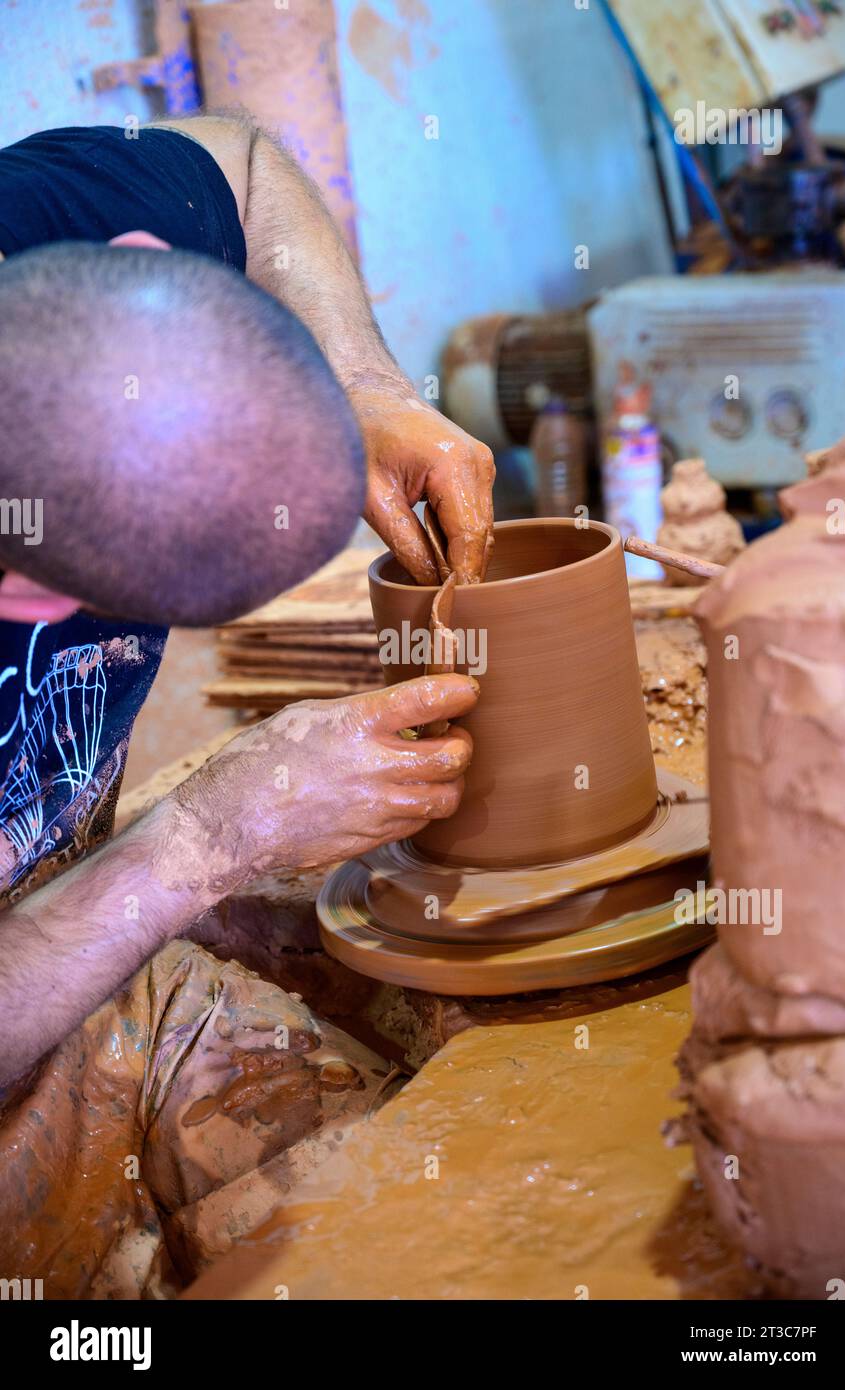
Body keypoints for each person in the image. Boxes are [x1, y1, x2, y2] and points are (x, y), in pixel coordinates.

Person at [0, 118, 488, 1296]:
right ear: (33, 590)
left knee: (421, 1209)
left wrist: (361, 383)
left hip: (47, 929)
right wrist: (207, 839)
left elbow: (248, 170)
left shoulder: (59, 224)